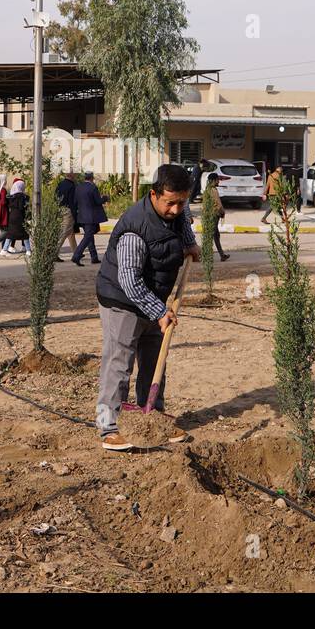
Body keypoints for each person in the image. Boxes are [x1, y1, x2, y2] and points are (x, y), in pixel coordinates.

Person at [95, 164, 200, 451]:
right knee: (118, 364)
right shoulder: (135, 230)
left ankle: (152, 415)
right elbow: (129, 281)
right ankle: (108, 426)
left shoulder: (176, 210)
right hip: (122, 300)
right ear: (153, 195)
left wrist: (190, 244)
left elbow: (183, 222)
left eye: (182, 201)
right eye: (170, 203)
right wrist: (160, 312)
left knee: (155, 361)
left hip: (153, 298)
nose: (177, 209)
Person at [72, 171, 108, 265]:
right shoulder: (93, 188)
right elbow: (98, 201)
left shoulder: (78, 187)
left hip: (81, 216)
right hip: (91, 217)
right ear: (92, 178)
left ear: (85, 178)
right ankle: (76, 255)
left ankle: (94, 257)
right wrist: (105, 198)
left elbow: (75, 202)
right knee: (88, 236)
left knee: (89, 236)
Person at [202, 173, 229, 261]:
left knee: (215, 235)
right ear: (213, 181)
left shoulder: (207, 190)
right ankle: (207, 256)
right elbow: (218, 204)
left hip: (208, 215)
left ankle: (221, 255)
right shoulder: (213, 190)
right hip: (213, 215)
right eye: (217, 180)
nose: (219, 182)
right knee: (211, 236)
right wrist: (222, 212)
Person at [54, 170, 80, 261]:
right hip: (68, 210)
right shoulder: (72, 186)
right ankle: (54, 253)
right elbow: (72, 201)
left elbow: (55, 196)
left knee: (70, 233)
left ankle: (77, 252)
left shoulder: (60, 184)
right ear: (72, 176)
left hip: (60, 209)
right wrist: (75, 213)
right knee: (65, 232)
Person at [1, 179, 29, 255]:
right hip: (20, 217)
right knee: (25, 234)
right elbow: (23, 207)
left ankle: (4, 250)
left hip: (12, 217)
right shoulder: (24, 197)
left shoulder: (11, 197)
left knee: (10, 234)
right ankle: (28, 250)